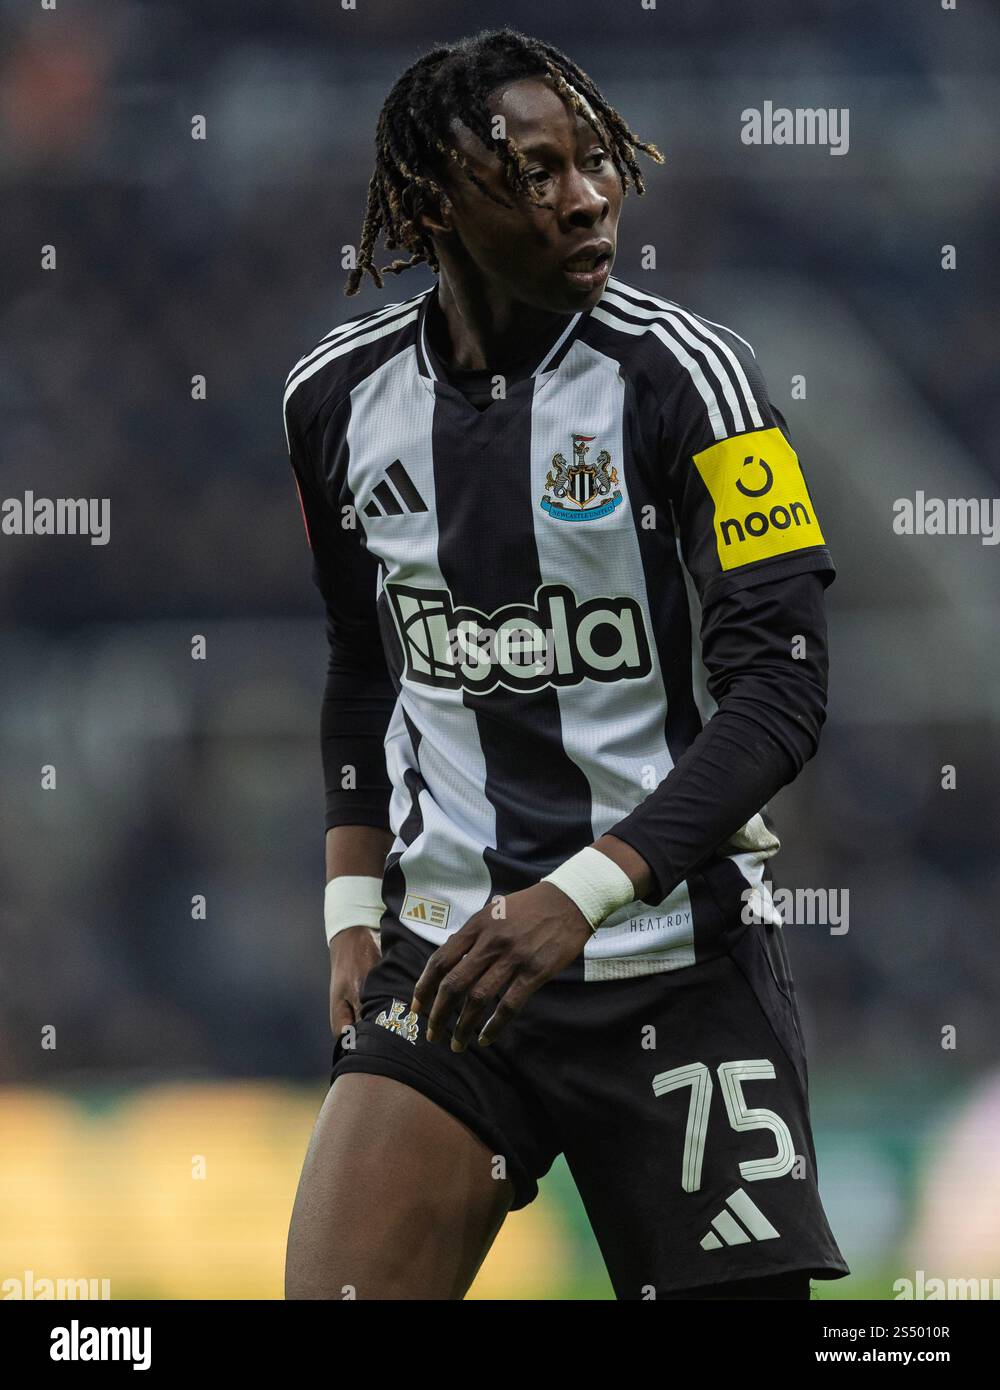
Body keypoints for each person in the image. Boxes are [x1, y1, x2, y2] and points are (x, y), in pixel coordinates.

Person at [283, 27, 849, 1301]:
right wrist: (347, 911)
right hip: (452, 967)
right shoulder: (333, 399)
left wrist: (578, 892)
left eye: (592, 161)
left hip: (673, 962)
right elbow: (361, 664)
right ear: (435, 205)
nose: (586, 196)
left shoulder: (693, 381)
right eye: (533, 172)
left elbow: (781, 690)